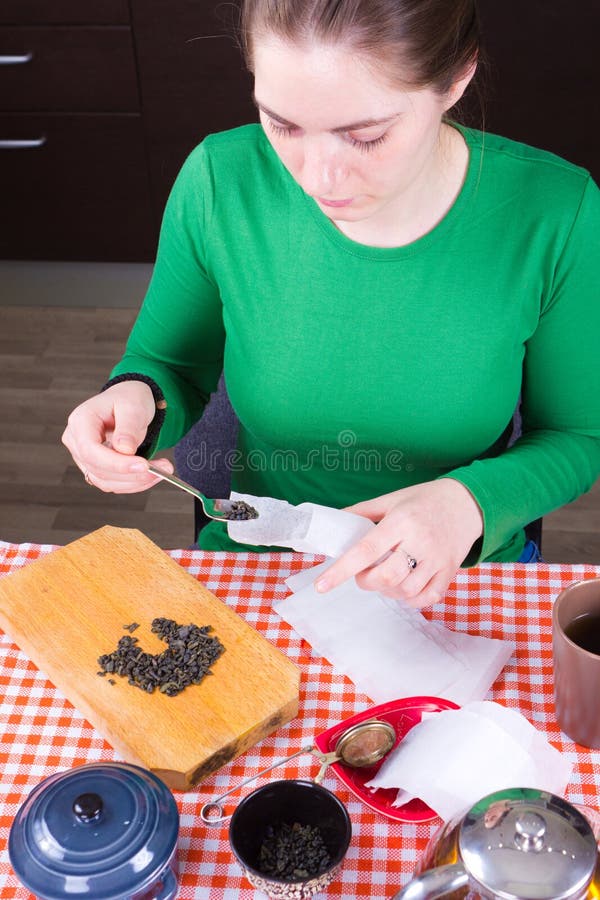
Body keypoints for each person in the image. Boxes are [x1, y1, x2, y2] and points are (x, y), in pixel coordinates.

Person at [62, 0, 600, 609]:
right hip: (263, 566)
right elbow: (172, 366)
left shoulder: (558, 214)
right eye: (282, 125)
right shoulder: (221, 179)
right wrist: (136, 401)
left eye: (366, 136)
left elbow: (580, 435)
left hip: (459, 575)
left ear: (456, 79)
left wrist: (467, 503)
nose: (318, 180)